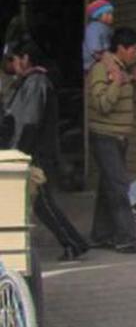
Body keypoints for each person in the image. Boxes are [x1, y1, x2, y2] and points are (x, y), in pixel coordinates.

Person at [3, 39, 90, 261]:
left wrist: (19, 154)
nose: (12, 65)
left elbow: (29, 122)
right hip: (30, 154)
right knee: (40, 204)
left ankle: (74, 243)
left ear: (25, 59)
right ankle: (74, 243)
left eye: (14, 59)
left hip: (34, 155)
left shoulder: (37, 83)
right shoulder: (27, 82)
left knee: (43, 204)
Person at [87, 27, 136, 254]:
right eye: (134, 49)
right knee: (119, 187)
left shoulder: (125, 69)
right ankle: (126, 238)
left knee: (108, 187)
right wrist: (117, 82)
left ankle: (101, 235)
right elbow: (102, 105)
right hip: (105, 136)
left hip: (121, 137)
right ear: (121, 48)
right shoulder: (102, 69)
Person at [82, 0, 114, 73]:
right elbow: (95, 50)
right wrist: (109, 64)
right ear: (98, 15)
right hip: (91, 67)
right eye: (107, 14)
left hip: (102, 63)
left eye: (111, 14)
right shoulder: (94, 28)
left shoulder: (107, 29)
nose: (111, 16)